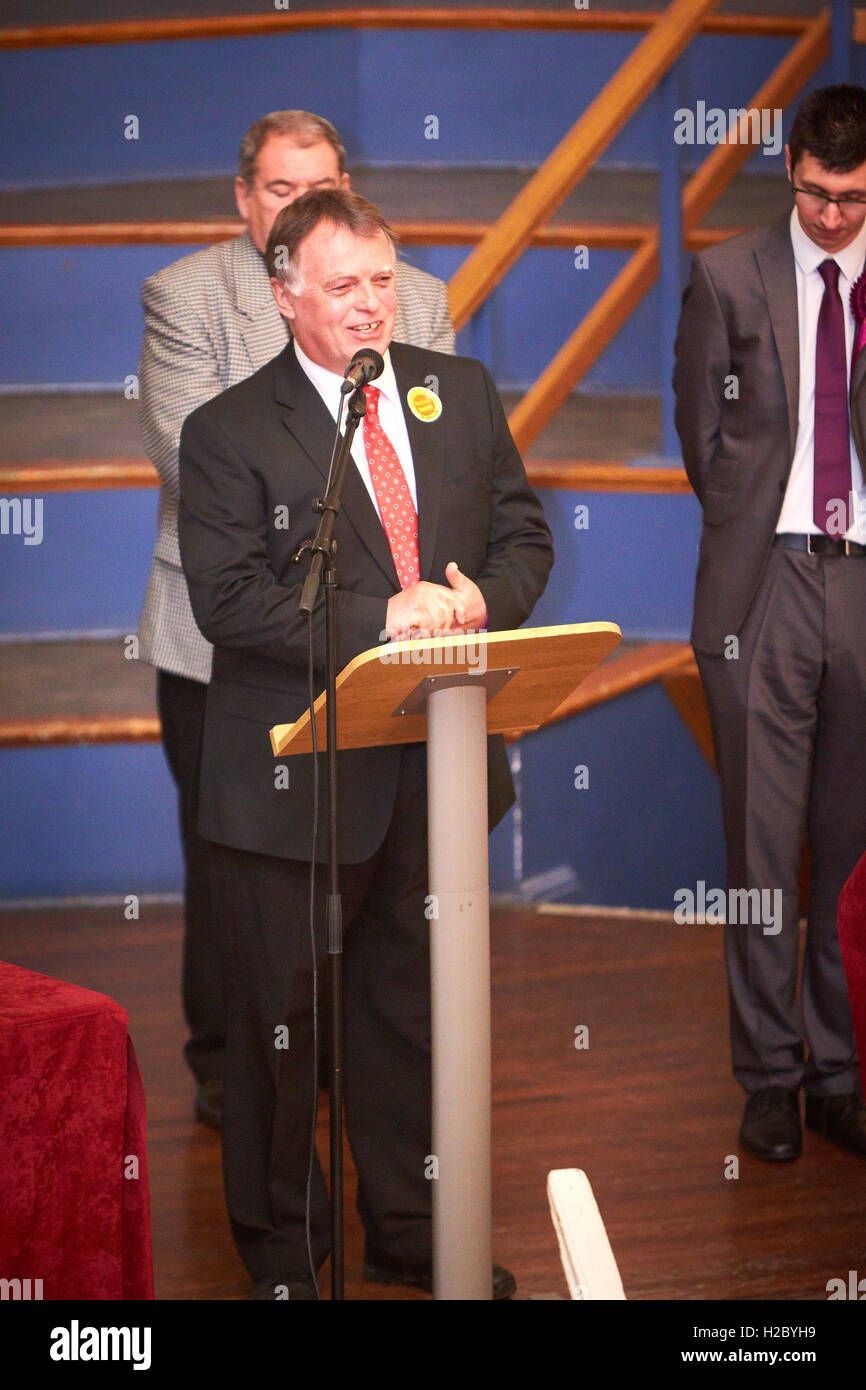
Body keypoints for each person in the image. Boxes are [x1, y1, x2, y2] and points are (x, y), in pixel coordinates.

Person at [176, 187, 553, 1298]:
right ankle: (287, 1256)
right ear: (283, 294)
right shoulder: (228, 430)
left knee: (410, 1020)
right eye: (341, 286)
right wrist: (379, 617)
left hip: (431, 771)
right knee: (280, 1031)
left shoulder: (459, 393)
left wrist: (481, 596)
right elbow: (228, 601)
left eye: (383, 281)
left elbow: (524, 536)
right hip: (290, 778)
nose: (369, 306)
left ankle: (413, 1227)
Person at [137, 111, 455, 1127]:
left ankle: (342, 1084)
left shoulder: (420, 297)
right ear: (245, 199)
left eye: (321, 184)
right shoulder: (185, 295)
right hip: (227, 647)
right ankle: (234, 1075)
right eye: (280, 190)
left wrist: (385, 598)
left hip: (389, 644)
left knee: (381, 898)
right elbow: (203, 465)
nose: (301, 206)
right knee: (240, 891)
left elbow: (432, 466)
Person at [674, 85, 866, 1163]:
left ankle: (836, 1074)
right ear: (785, 168)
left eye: (849, 198)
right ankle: (766, 1074)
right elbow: (700, 438)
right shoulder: (725, 274)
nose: (829, 217)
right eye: (812, 193)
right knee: (756, 852)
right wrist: (771, 525)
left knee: (845, 854)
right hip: (765, 585)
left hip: (863, 585)